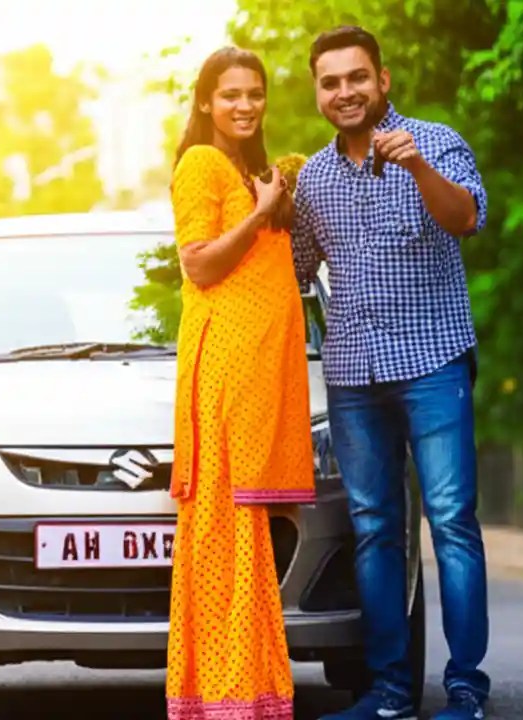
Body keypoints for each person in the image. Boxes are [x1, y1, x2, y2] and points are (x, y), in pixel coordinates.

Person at [290, 25, 492, 720]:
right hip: (353, 374)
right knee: (374, 529)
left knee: (451, 523)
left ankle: (466, 689)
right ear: (319, 92)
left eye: (357, 78)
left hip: (433, 363)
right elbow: (293, 273)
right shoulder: (313, 180)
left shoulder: (436, 143)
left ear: (383, 82)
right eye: (331, 82)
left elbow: (466, 219)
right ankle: (389, 695)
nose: (345, 91)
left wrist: (417, 170)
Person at [164, 46, 316, 720]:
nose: (245, 104)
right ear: (205, 102)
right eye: (230, 94)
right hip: (224, 375)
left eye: (254, 93)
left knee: (246, 534)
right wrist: (259, 215)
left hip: (254, 378)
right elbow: (198, 266)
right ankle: (227, 696)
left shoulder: (252, 171)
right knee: (228, 536)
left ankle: (250, 691)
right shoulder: (201, 164)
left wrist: (278, 194)